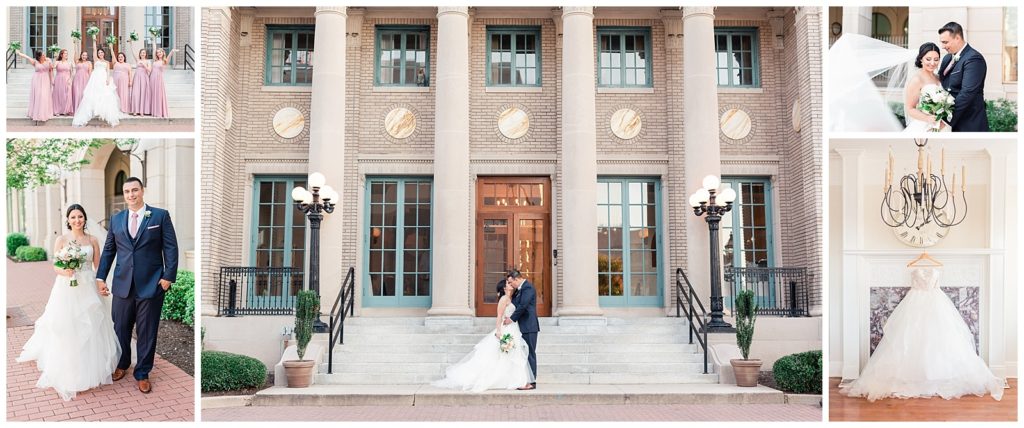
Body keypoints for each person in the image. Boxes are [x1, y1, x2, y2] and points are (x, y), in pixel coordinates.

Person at [840, 267, 1003, 401]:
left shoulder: (936, 272)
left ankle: (935, 376)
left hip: (937, 306)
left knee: (938, 341)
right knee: (909, 339)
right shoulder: (915, 271)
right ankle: (916, 377)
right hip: (914, 305)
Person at [16, 204, 121, 401]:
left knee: (93, 325)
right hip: (67, 287)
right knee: (69, 326)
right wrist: (66, 271)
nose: (77, 220)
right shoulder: (61, 240)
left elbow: (99, 266)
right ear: (68, 220)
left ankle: (94, 367)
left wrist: (103, 284)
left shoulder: (93, 240)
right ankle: (71, 369)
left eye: (80, 216)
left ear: (85, 218)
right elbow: (56, 265)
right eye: (73, 217)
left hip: (89, 286)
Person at [95, 177, 179, 394]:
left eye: (134, 190)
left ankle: (142, 372)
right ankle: (122, 364)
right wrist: (100, 277)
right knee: (120, 327)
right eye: (127, 191)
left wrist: (168, 277)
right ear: (124, 195)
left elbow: (170, 248)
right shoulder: (116, 219)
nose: (131, 194)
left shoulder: (160, 215)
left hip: (152, 284)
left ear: (142, 191)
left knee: (147, 330)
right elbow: (109, 251)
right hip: (123, 284)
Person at [432, 279, 534, 392]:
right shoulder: (504, 299)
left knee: (514, 354)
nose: (511, 285)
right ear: (504, 288)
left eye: (511, 283)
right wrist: (499, 331)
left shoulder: (512, 298)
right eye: (508, 284)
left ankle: (515, 380)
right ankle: (513, 380)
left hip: (514, 328)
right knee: (506, 354)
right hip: (506, 329)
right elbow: (499, 316)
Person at [937, 22, 988, 132]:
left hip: (969, 123)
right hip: (948, 120)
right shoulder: (946, 58)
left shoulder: (974, 59)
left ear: (957, 38)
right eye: (942, 42)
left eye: (945, 42)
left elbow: (967, 93)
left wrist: (945, 120)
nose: (943, 46)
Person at [72, 34, 125, 127]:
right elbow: (94, 49)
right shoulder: (95, 60)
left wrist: (108, 79)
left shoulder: (107, 62)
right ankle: (93, 110)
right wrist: (94, 40)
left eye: (102, 53)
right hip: (95, 78)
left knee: (104, 95)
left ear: (104, 54)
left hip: (103, 77)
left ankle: (102, 112)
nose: (100, 54)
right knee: (93, 94)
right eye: (99, 53)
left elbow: (108, 71)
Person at [504, 269, 539, 390]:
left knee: (530, 353)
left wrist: (512, 319)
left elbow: (523, 306)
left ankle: (532, 382)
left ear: (517, 279)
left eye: (511, 282)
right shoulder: (519, 290)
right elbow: (514, 304)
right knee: (524, 354)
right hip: (521, 327)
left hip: (529, 326)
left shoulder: (528, 288)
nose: (511, 285)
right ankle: (525, 379)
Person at [902, 43, 949, 133]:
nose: (932, 63)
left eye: (936, 59)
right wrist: (927, 118)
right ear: (921, 59)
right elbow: (910, 108)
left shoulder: (938, 77)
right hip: (924, 126)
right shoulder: (917, 80)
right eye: (928, 59)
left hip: (941, 125)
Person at [14, 49, 53, 122]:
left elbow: (51, 71)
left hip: (45, 80)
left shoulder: (48, 61)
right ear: (39, 56)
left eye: (44, 54)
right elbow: (26, 57)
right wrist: (19, 53)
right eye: (43, 55)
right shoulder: (35, 62)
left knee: (44, 96)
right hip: (36, 80)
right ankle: (37, 113)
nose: (44, 56)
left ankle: (44, 113)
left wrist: (52, 80)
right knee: (38, 96)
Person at [52, 49, 74, 116]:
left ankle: (66, 110)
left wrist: (70, 79)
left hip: (67, 80)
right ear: (61, 55)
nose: (66, 55)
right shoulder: (57, 62)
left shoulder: (69, 63)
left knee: (67, 95)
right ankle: (57, 110)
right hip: (58, 79)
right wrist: (52, 78)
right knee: (58, 95)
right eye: (65, 53)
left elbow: (72, 73)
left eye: (67, 53)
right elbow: (52, 68)